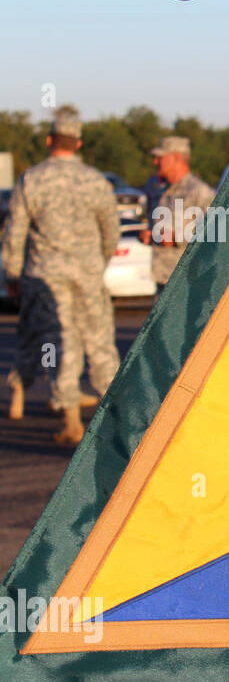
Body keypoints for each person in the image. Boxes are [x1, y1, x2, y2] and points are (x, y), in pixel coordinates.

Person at [2, 107, 119, 445]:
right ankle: (114, 415)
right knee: (99, 341)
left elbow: (16, 230)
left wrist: (13, 273)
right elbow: (111, 229)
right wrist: (98, 261)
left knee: (57, 341)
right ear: (78, 142)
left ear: (51, 140)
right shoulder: (96, 181)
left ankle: (71, 420)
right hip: (87, 274)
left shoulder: (32, 179)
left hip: (46, 278)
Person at [149, 135, 214, 288]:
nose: (155, 162)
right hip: (163, 280)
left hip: (188, 284)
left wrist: (176, 237)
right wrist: (149, 234)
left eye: (160, 158)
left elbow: (215, 231)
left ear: (176, 158)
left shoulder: (199, 192)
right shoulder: (162, 192)